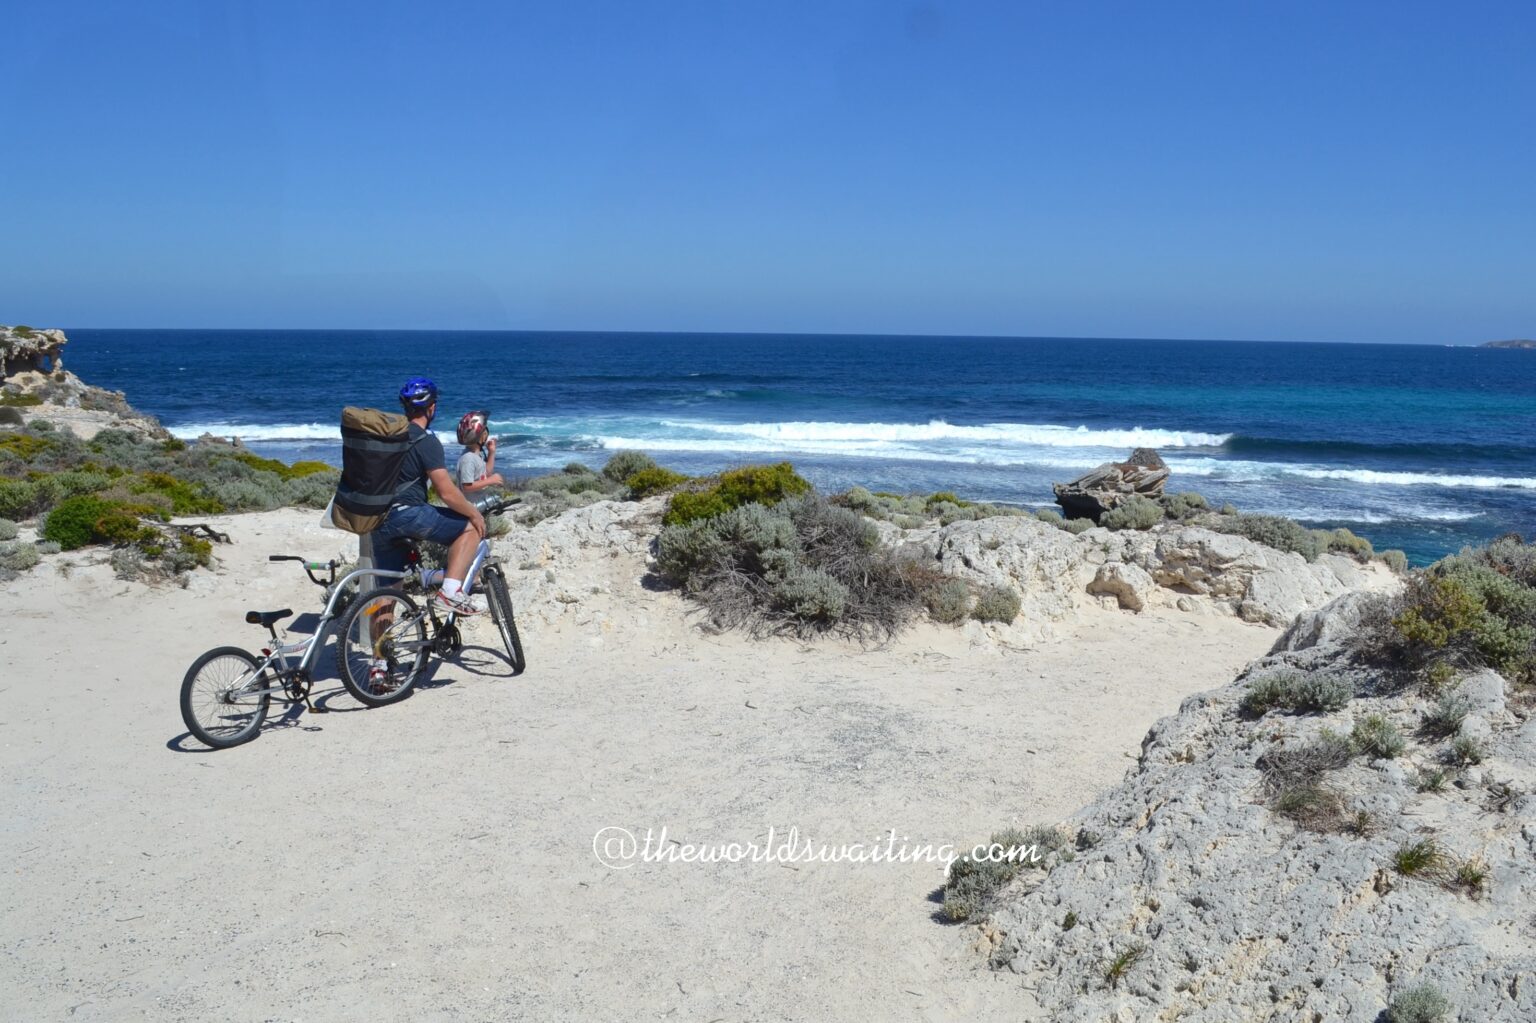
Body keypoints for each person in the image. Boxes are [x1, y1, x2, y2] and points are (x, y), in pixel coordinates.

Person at [370, 376, 488, 617]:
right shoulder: (427, 441)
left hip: (379, 520)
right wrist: (474, 513)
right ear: (431, 407)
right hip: (409, 515)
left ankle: (380, 655)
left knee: (387, 596)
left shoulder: (388, 437)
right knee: (470, 529)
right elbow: (446, 492)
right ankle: (450, 592)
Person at [454, 410, 505, 494]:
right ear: (481, 435)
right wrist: (491, 481)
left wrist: (491, 452)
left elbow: (486, 473)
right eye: (484, 430)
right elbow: (467, 486)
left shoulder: (476, 455)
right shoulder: (468, 459)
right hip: (470, 505)